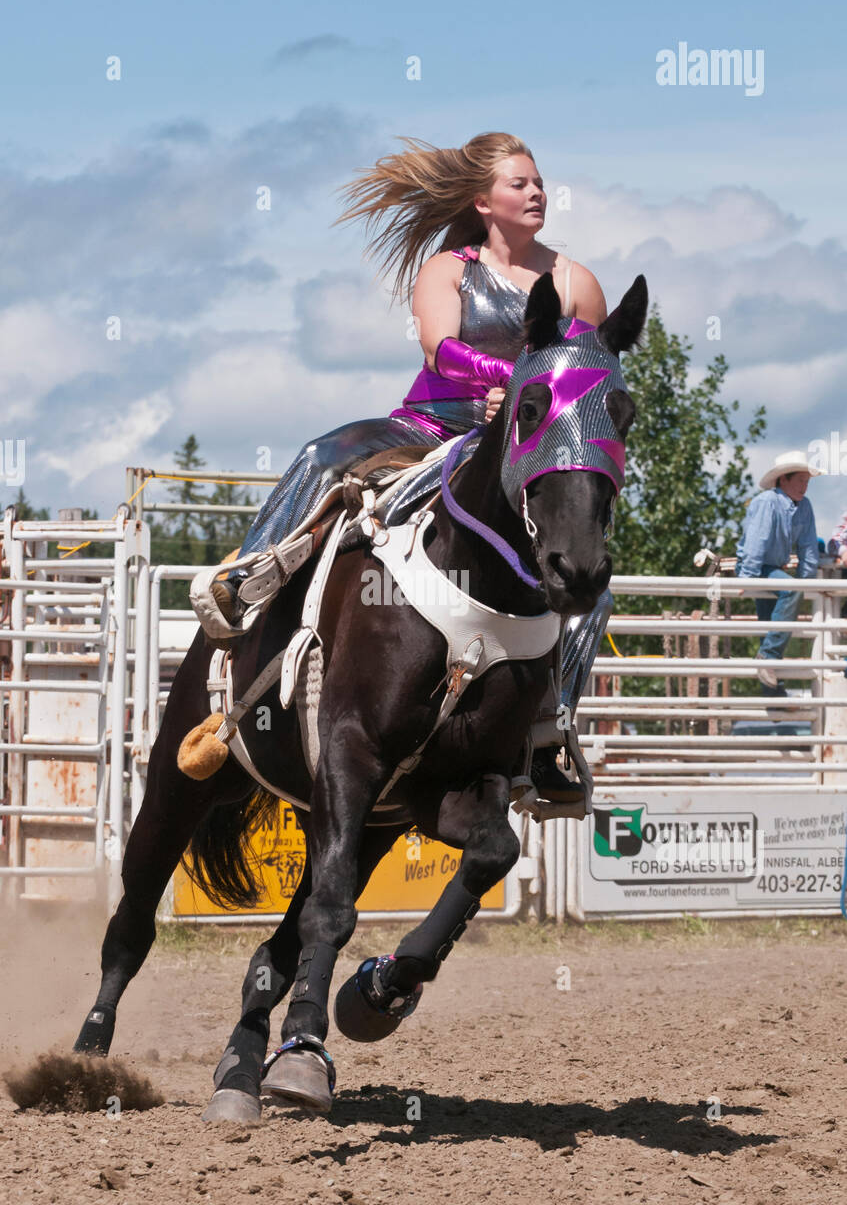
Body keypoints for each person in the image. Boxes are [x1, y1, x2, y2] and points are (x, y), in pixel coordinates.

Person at [201, 132, 613, 800]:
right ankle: (249, 577)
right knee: (321, 453)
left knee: (595, 590)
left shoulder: (575, 282)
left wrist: (536, 401)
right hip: (429, 428)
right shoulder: (447, 268)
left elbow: (587, 377)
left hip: (519, 451)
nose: (536, 192)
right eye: (520, 184)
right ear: (483, 201)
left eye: (538, 182)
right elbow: (439, 348)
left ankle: (546, 735)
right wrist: (517, 377)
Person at [735, 449, 821, 698]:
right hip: (755, 566)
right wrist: (748, 578)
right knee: (786, 600)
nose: (805, 487)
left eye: (807, 481)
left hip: (772, 569)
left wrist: (808, 582)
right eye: (801, 480)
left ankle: (772, 696)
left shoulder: (804, 507)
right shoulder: (766, 501)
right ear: (784, 479)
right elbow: (756, 542)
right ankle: (769, 658)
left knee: (771, 627)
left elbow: (808, 547)